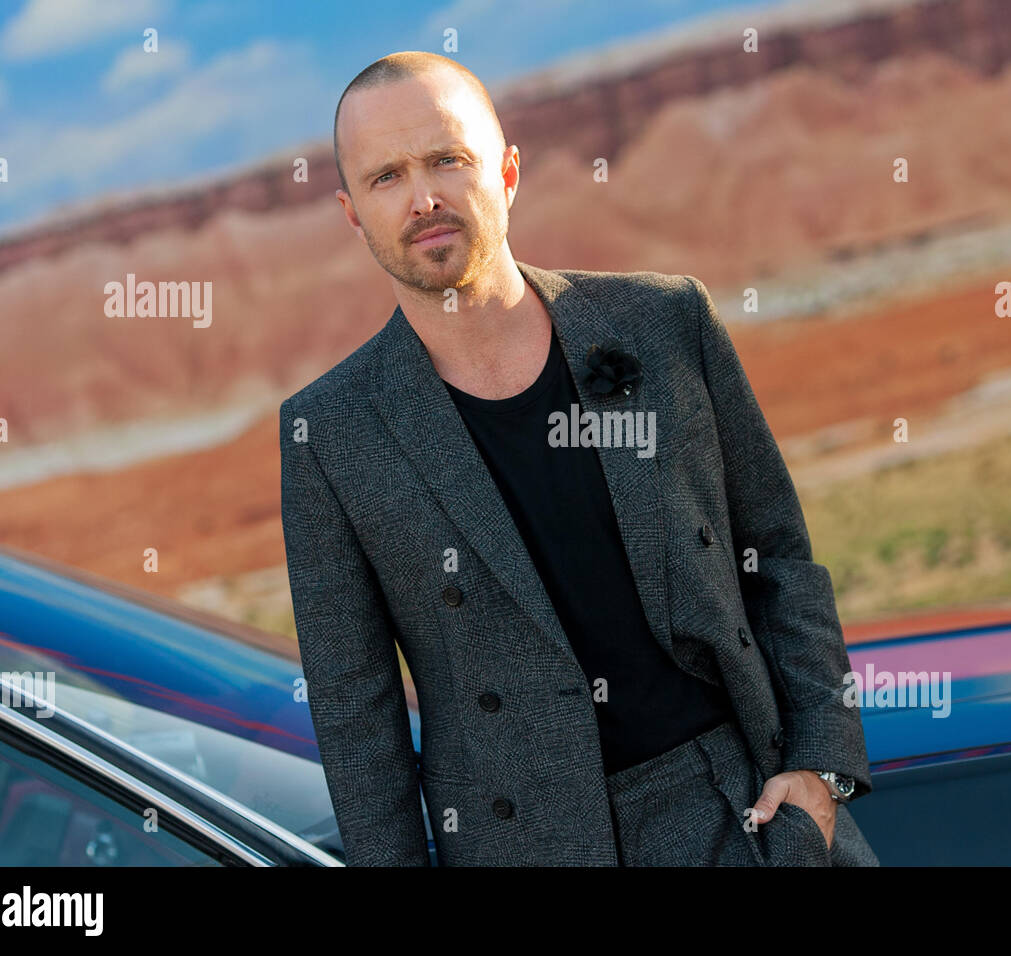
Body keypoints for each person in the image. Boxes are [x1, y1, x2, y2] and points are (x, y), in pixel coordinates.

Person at [280, 51, 878, 866]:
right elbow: (357, 718)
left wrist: (820, 768)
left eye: (447, 160)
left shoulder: (664, 322)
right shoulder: (330, 433)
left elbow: (777, 555)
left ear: (507, 171)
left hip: (743, 813)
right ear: (353, 214)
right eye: (387, 177)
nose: (423, 199)